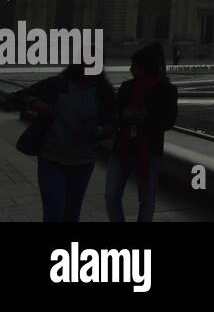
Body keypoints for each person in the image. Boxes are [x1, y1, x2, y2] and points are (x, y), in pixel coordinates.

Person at [4, 64, 116, 222]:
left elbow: (112, 125)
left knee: (72, 214)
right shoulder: (57, 84)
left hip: (83, 161)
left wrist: (94, 131)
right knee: (53, 213)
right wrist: (34, 103)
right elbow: (18, 96)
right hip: (51, 158)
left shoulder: (104, 93)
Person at [105, 44, 178, 222]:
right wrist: (123, 116)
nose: (130, 69)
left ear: (144, 67)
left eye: (134, 65)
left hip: (148, 149)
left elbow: (169, 121)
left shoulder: (167, 90)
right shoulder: (126, 87)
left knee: (147, 199)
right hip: (123, 148)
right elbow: (115, 115)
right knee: (111, 195)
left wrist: (145, 119)